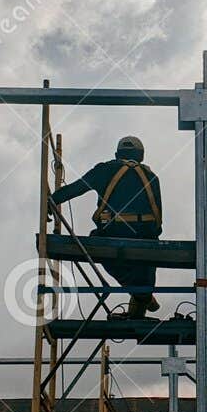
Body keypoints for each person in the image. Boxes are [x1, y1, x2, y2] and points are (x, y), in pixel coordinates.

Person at [50, 136, 163, 319]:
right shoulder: (151, 177)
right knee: (146, 266)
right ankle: (142, 297)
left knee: (98, 247)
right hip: (145, 234)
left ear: (117, 154)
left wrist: (52, 201)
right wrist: (153, 235)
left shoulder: (104, 170)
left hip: (113, 232)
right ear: (141, 156)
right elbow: (158, 216)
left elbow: (76, 188)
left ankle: (141, 295)